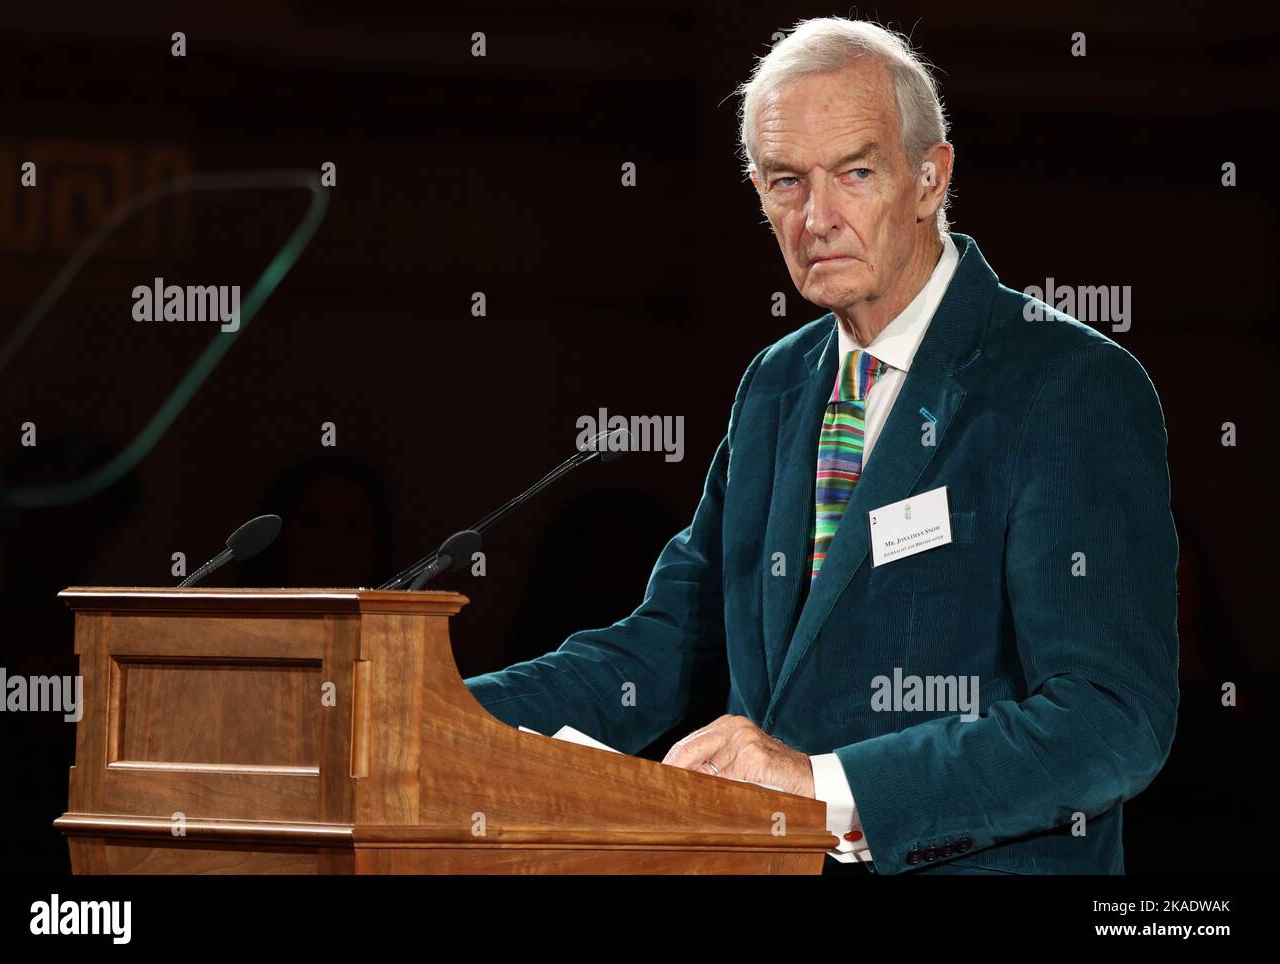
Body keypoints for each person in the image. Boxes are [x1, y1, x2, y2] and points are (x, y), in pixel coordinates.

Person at [465, 16, 1179, 875]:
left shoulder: (1066, 384)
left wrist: (822, 785)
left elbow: (1111, 721)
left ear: (930, 177)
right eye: (784, 183)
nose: (816, 219)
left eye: (855, 173)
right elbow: (668, 646)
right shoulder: (776, 385)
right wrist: (427, 715)